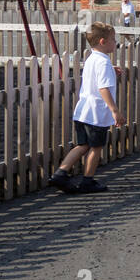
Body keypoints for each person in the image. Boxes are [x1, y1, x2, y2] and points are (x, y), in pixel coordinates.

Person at [48, 23, 126, 193]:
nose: (116, 43)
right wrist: (115, 110)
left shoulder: (92, 57)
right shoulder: (104, 62)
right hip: (97, 113)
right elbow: (103, 88)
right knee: (96, 147)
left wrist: (111, 69)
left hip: (82, 111)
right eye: (113, 39)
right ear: (103, 41)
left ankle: (60, 173)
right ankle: (87, 180)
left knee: (82, 145)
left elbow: (94, 75)